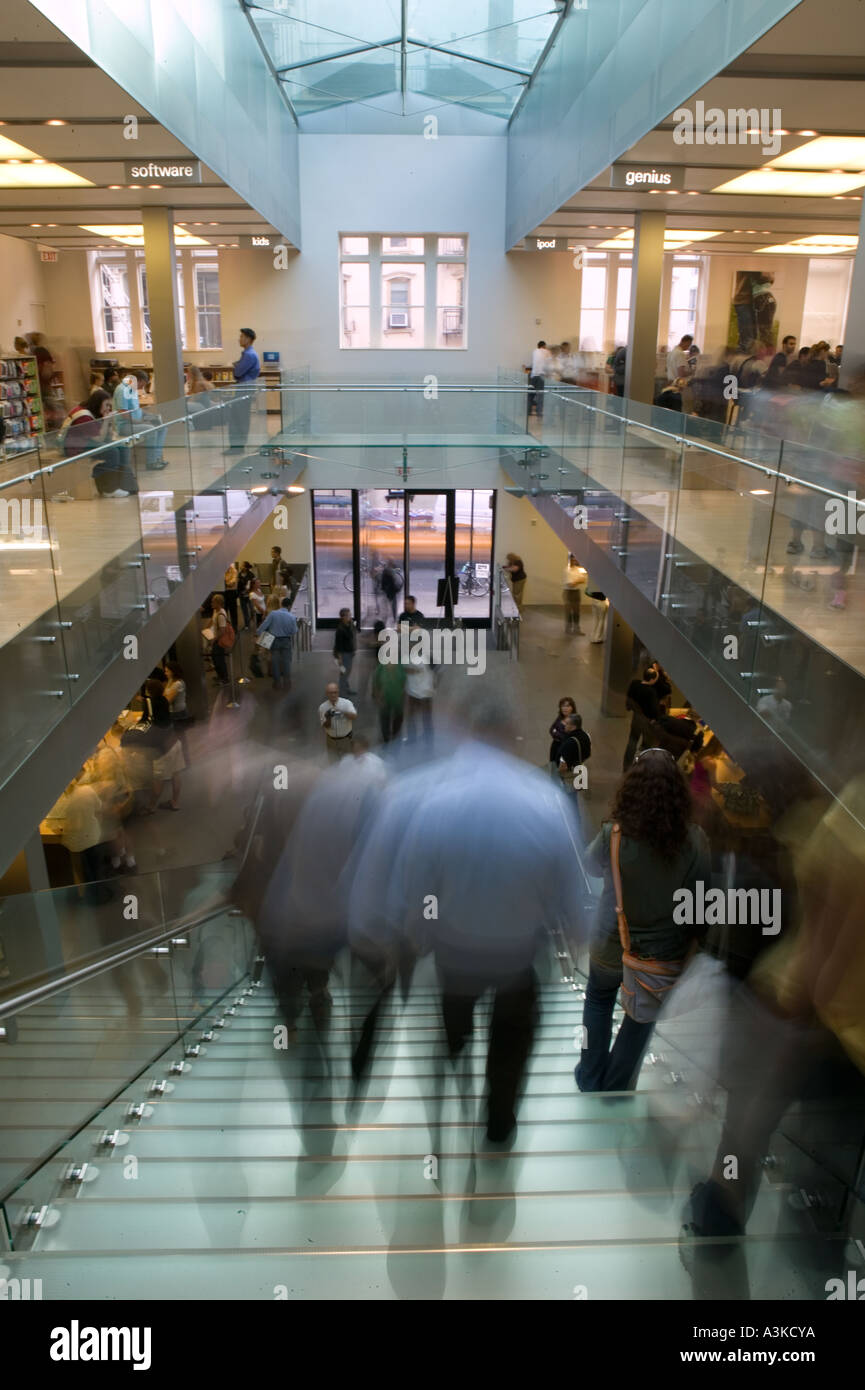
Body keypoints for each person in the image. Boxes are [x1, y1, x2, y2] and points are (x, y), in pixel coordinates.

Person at [575, 748, 711, 1092]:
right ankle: (616, 1085)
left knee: (598, 1001)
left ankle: (590, 1075)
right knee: (641, 1018)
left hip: (610, 942)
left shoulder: (614, 835)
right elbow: (699, 904)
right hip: (662, 951)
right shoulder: (694, 841)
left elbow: (590, 867)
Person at [63, 389, 139, 497]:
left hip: (85, 442)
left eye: (110, 406)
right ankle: (108, 489)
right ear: (98, 402)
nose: (108, 408)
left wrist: (108, 422)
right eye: (107, 405)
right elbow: (99, 439)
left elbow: (107, 438)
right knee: (112, 452)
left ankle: (126, 485)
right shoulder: (84, 416)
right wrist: (107, 420)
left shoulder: (92, 412)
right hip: (74, 447)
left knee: (123, 448)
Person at [143, 678, 186, 812]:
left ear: (148, 691)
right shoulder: (163, 700)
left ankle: (150, 807)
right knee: (176, 773)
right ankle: (175, 802)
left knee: (158, 780)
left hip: (162, 748)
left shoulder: (150, 703)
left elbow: (147, 721)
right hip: (174, 742)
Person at [623, 664, 661, 769]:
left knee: (632, 740)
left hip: (636, 718)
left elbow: (629, 697)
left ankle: (626, 765)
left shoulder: (635, 684)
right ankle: (641, 766)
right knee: (647, 744)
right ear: (652, 680)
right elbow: (654, 710)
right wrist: (655, 719)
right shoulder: (651, 692)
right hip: (646, 721)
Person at [372, 628, 407, 743]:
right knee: (384, 719)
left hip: (397, 698)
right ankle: (386, 738)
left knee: (398, 718)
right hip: (385, 698)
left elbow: (405, 682)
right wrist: (377, 696)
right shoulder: (381, 667)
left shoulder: (401, 666)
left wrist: (404, 695)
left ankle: (395, 736)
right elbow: (375, 682)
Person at [257, 596, 298, 691]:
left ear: (281, 604)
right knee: (286, 661)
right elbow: (294, 631)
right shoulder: (292, 617)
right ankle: (287, 682)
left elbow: (264, 625)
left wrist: (258, 633)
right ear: (289, 606)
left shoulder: (273, 614)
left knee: (275, 661)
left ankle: (277, 683)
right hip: (286, 641)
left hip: (274, 640)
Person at [229, 327, 260, 449]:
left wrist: (236, 366)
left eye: (242, 336)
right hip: (245, 388)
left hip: (244, 389)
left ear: (248, 339)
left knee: (239, 418)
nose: (239, 339)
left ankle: (237, 446)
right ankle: (237, 445)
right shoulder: (249, 354)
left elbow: (237, 373)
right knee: (240, 417)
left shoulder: (249, 355)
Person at [404, 622, 435, 742]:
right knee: (413, 717)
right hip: (413, 690)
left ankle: (427, 740)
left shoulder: (424, 656)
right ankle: (414, 738)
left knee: (425, 717)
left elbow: (412, 669)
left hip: (424, 691)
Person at [319, 681, 357, 758]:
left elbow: (354, 717)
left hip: (345, 740)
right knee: (333, 762)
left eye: (335, 692)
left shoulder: (347, 703)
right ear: (327, 694)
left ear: (338, 692)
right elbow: (325, 726)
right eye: (330, 693)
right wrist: (328, 717)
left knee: (347, 762)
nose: (333, 695)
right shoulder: (323, 707)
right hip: (331, 740)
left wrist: (343, 711)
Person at [558, 712, 592, 785]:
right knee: (574, 792)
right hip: (580, 770)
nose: (564, 725)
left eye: (567, 723)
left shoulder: (569, 743)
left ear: (573, 727)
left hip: (569, 775)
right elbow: (588, 754)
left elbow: (563, 766)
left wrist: (558, 776)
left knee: (567, 793)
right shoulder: (586, 735)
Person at [548, 696, 577, 775]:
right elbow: (551, 729)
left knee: (561, 770)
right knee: (553, 766)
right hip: (555, 746)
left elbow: (568, 737)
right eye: (563, 706)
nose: (565, 708)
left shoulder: (574, 721)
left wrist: (556, 733)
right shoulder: (560, 718)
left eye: (568, 706)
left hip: (565, 749)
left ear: (572, 708)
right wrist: (559, 734)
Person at [333, 606, 357, 697]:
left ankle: (346, 689)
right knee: (344, 673)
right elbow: (338, 645)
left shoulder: (349, 626)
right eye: (348, 616)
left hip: (349, 652)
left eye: (350, 615)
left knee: (347, 672)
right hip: (343, 654)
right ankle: (342, 693)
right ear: (343, 617)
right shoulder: (340, 629)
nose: (350, 617)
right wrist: (339, 658)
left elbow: (353, 637)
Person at [208, 593, 232, 686]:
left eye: (213, 602)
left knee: (219, 660)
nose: (211, 603)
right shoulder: (215, 611)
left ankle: (225, 678)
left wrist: (214, 639)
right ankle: (220, 676)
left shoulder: (221, 614)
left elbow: (222, 631)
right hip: (216, 639)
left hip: (219, 641)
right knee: (215, 659)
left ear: (218, 603)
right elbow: (212, 620)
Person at [562, 552, 586, 633]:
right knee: (569, 612)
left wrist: (576, 581)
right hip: (568, 593)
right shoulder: (567, 570)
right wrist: (578, 580)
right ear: (569, 560)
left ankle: (576, 629)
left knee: (576, 612)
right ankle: (568, 629)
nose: (574, 561)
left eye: (575, 559)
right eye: (572, 559)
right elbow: (570, 584)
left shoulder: (578, 569)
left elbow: (583, 580)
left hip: (576, 592)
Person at [527, 340, 551, 419]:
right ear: (544, 346)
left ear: (538, 346)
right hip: (542, 376)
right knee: (540, 396)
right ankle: (539, 412)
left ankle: (528, 411)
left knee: (530, 395)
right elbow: (549, 364)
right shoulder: (547, 352)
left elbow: (533, 364)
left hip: (533, 375)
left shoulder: (535, 351)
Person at [586, 576, 609, 644]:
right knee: (601, 620)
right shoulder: (604, 580)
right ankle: (598, 638)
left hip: (594, 600)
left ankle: (592, 637)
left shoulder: (593, 577)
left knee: (595, 619)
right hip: (601, 601)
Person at [237, 561, 255, 628]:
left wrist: (249, 591)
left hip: (250, 595)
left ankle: (254, 620)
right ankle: (247, 624)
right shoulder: (239, 575)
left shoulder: (251, 575)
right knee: (244, 610)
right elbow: (238, 586)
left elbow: (253, 584)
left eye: (242, 565)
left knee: (252, 609)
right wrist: (240, 592)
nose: (241, 567)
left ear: (246, 567)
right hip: (242, 595)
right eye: (241, 565)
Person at [223, 562, 239, 630]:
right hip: (223, 592)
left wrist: (225, 583)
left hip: (231, 593)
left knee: (233, 611)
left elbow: (232, 583)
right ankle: (225, 627)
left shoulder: (234, 571)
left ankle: (235, 627)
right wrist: (227, 583)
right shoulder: (222, 571)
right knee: (224, 611)